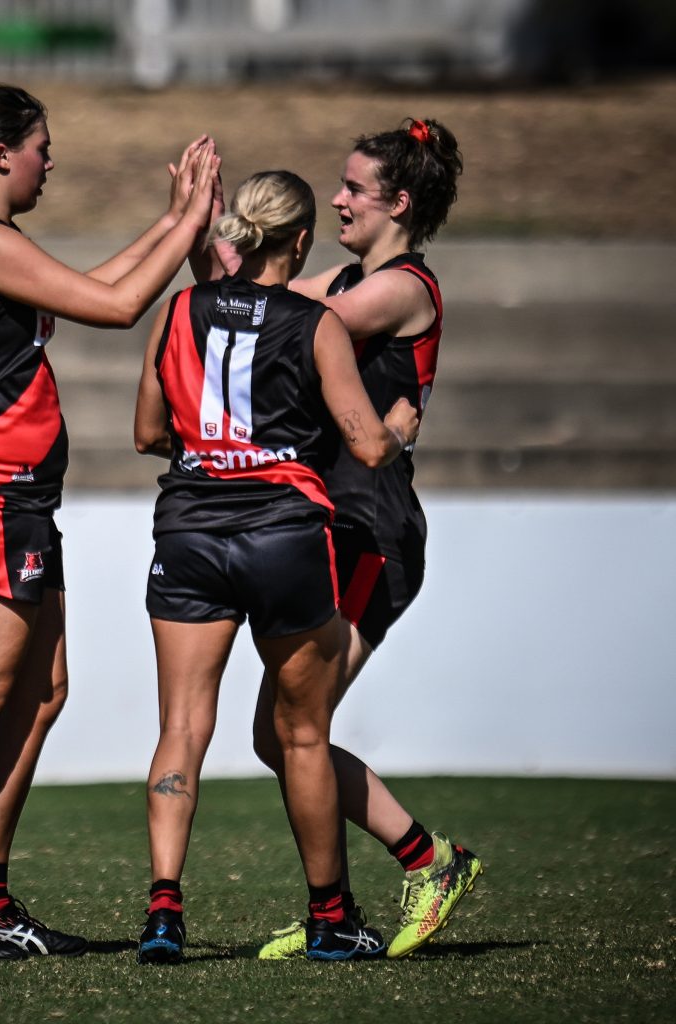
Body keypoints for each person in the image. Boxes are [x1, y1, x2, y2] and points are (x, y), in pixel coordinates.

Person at [0, 82, 219, 961]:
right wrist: (190, 227)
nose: (50, 162)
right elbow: (119, 310)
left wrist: (174, 221)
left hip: (17, 503)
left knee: (40, 696)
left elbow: (96, 288)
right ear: (3, 154)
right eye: (43, 148)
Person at [132, 170, 420, 964]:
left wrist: (214, 448)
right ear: (299, 243)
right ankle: (330, 918)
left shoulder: (179, 309)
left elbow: (148, 432)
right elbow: (365, 445)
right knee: (301, 735)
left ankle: (163, 912)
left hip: (188, 531)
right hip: (285, 538)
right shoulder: (314, 322)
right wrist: (399, 426)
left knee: (182, 728)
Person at [250, 119, 483, 961]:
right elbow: (272, 295)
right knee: (279, 735)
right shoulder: (347, 274)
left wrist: (233, 282)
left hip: (370, 530)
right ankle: (344, 907)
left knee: (294, 729)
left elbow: (287, 316)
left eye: (353, 187)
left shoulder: (401, 286)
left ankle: (420, 869)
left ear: (401, 203)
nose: (339, 198)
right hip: (327, 525)